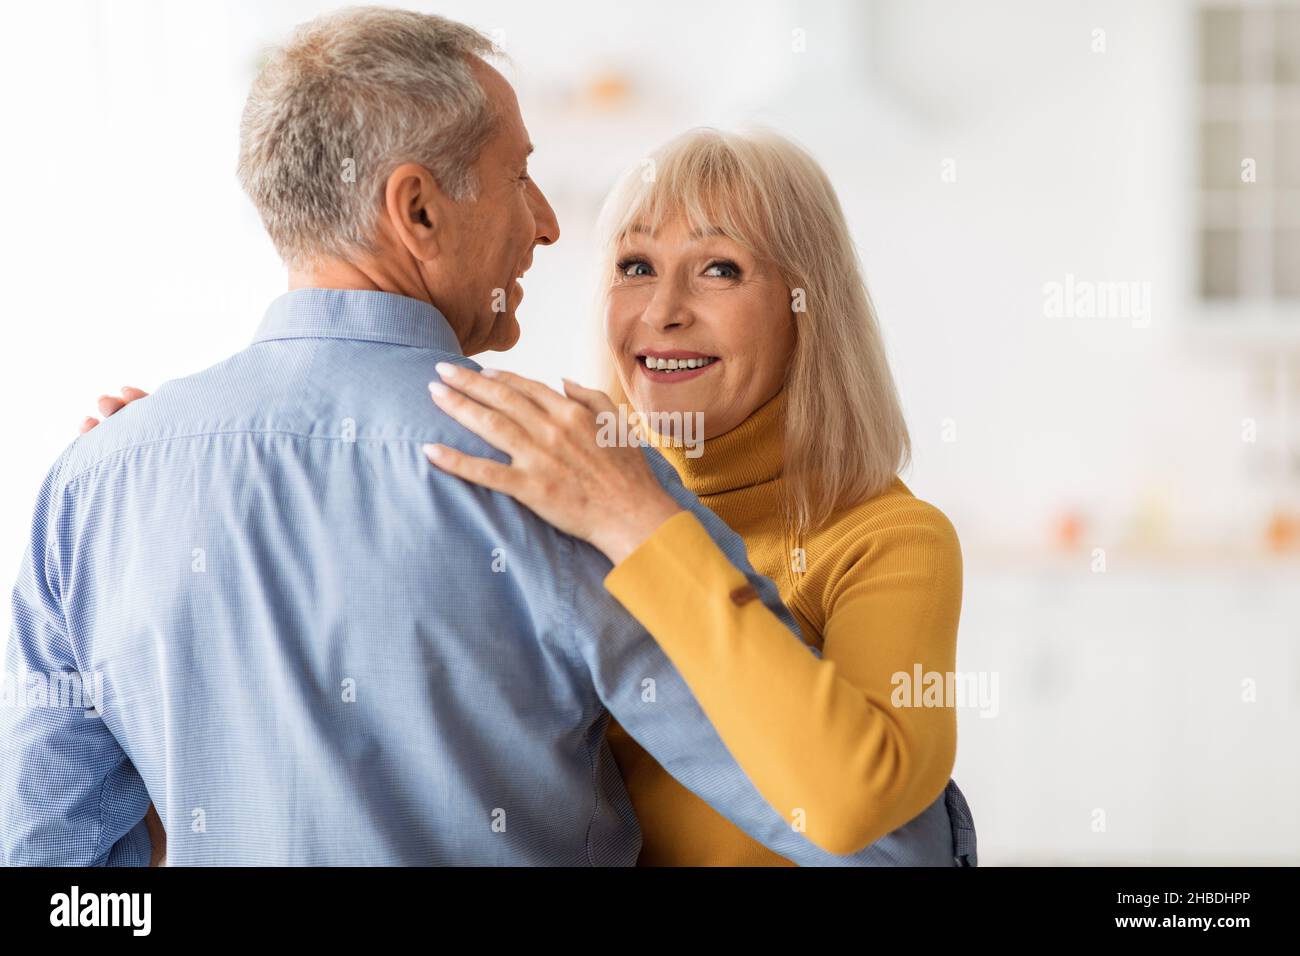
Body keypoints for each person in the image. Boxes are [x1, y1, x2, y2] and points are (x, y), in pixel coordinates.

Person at [0, 7, 962, 866]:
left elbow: (56, 857)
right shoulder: (561, 482)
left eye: (717, 271)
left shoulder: (96, 482)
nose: (547, 225)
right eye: (520, 176)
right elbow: (877, 845)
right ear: (417, 210)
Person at [421, 127, 979, 865]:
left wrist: (642, 521)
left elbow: (850, 805)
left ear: (806, 305)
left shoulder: (892, 540)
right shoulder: (566, 511)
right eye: (636, 265)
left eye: (719, 268)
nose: (662, 311)